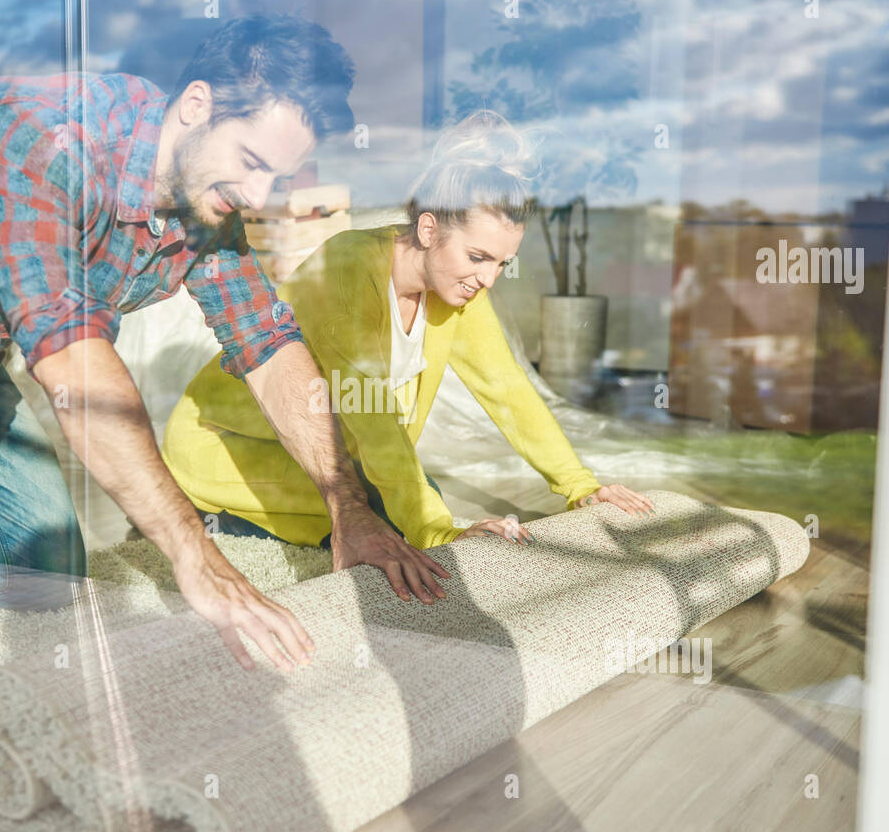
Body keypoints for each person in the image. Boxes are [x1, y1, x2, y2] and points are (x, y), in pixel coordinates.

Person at [0, 15, 449, 693]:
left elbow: (270, 346)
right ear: (195, 105)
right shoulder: (44, 135)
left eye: (276, 178)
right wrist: (194, 555)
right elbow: (73, 364)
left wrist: (347, 506)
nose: (258, 195)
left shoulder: (202, 210)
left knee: (38, 574)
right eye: (252, 161)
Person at [162, 110, 654, 552]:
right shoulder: (348, 268)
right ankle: (203, 511)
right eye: (477, 257)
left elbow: (508, 390)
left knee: (410, 497)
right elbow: (371, 412)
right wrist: (436, 532)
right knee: (396, 511)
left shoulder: (457, 291)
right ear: (427, 230)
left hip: (327, 452)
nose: (487, 278)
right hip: (223, 443)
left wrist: (581, 487)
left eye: (502, 263)